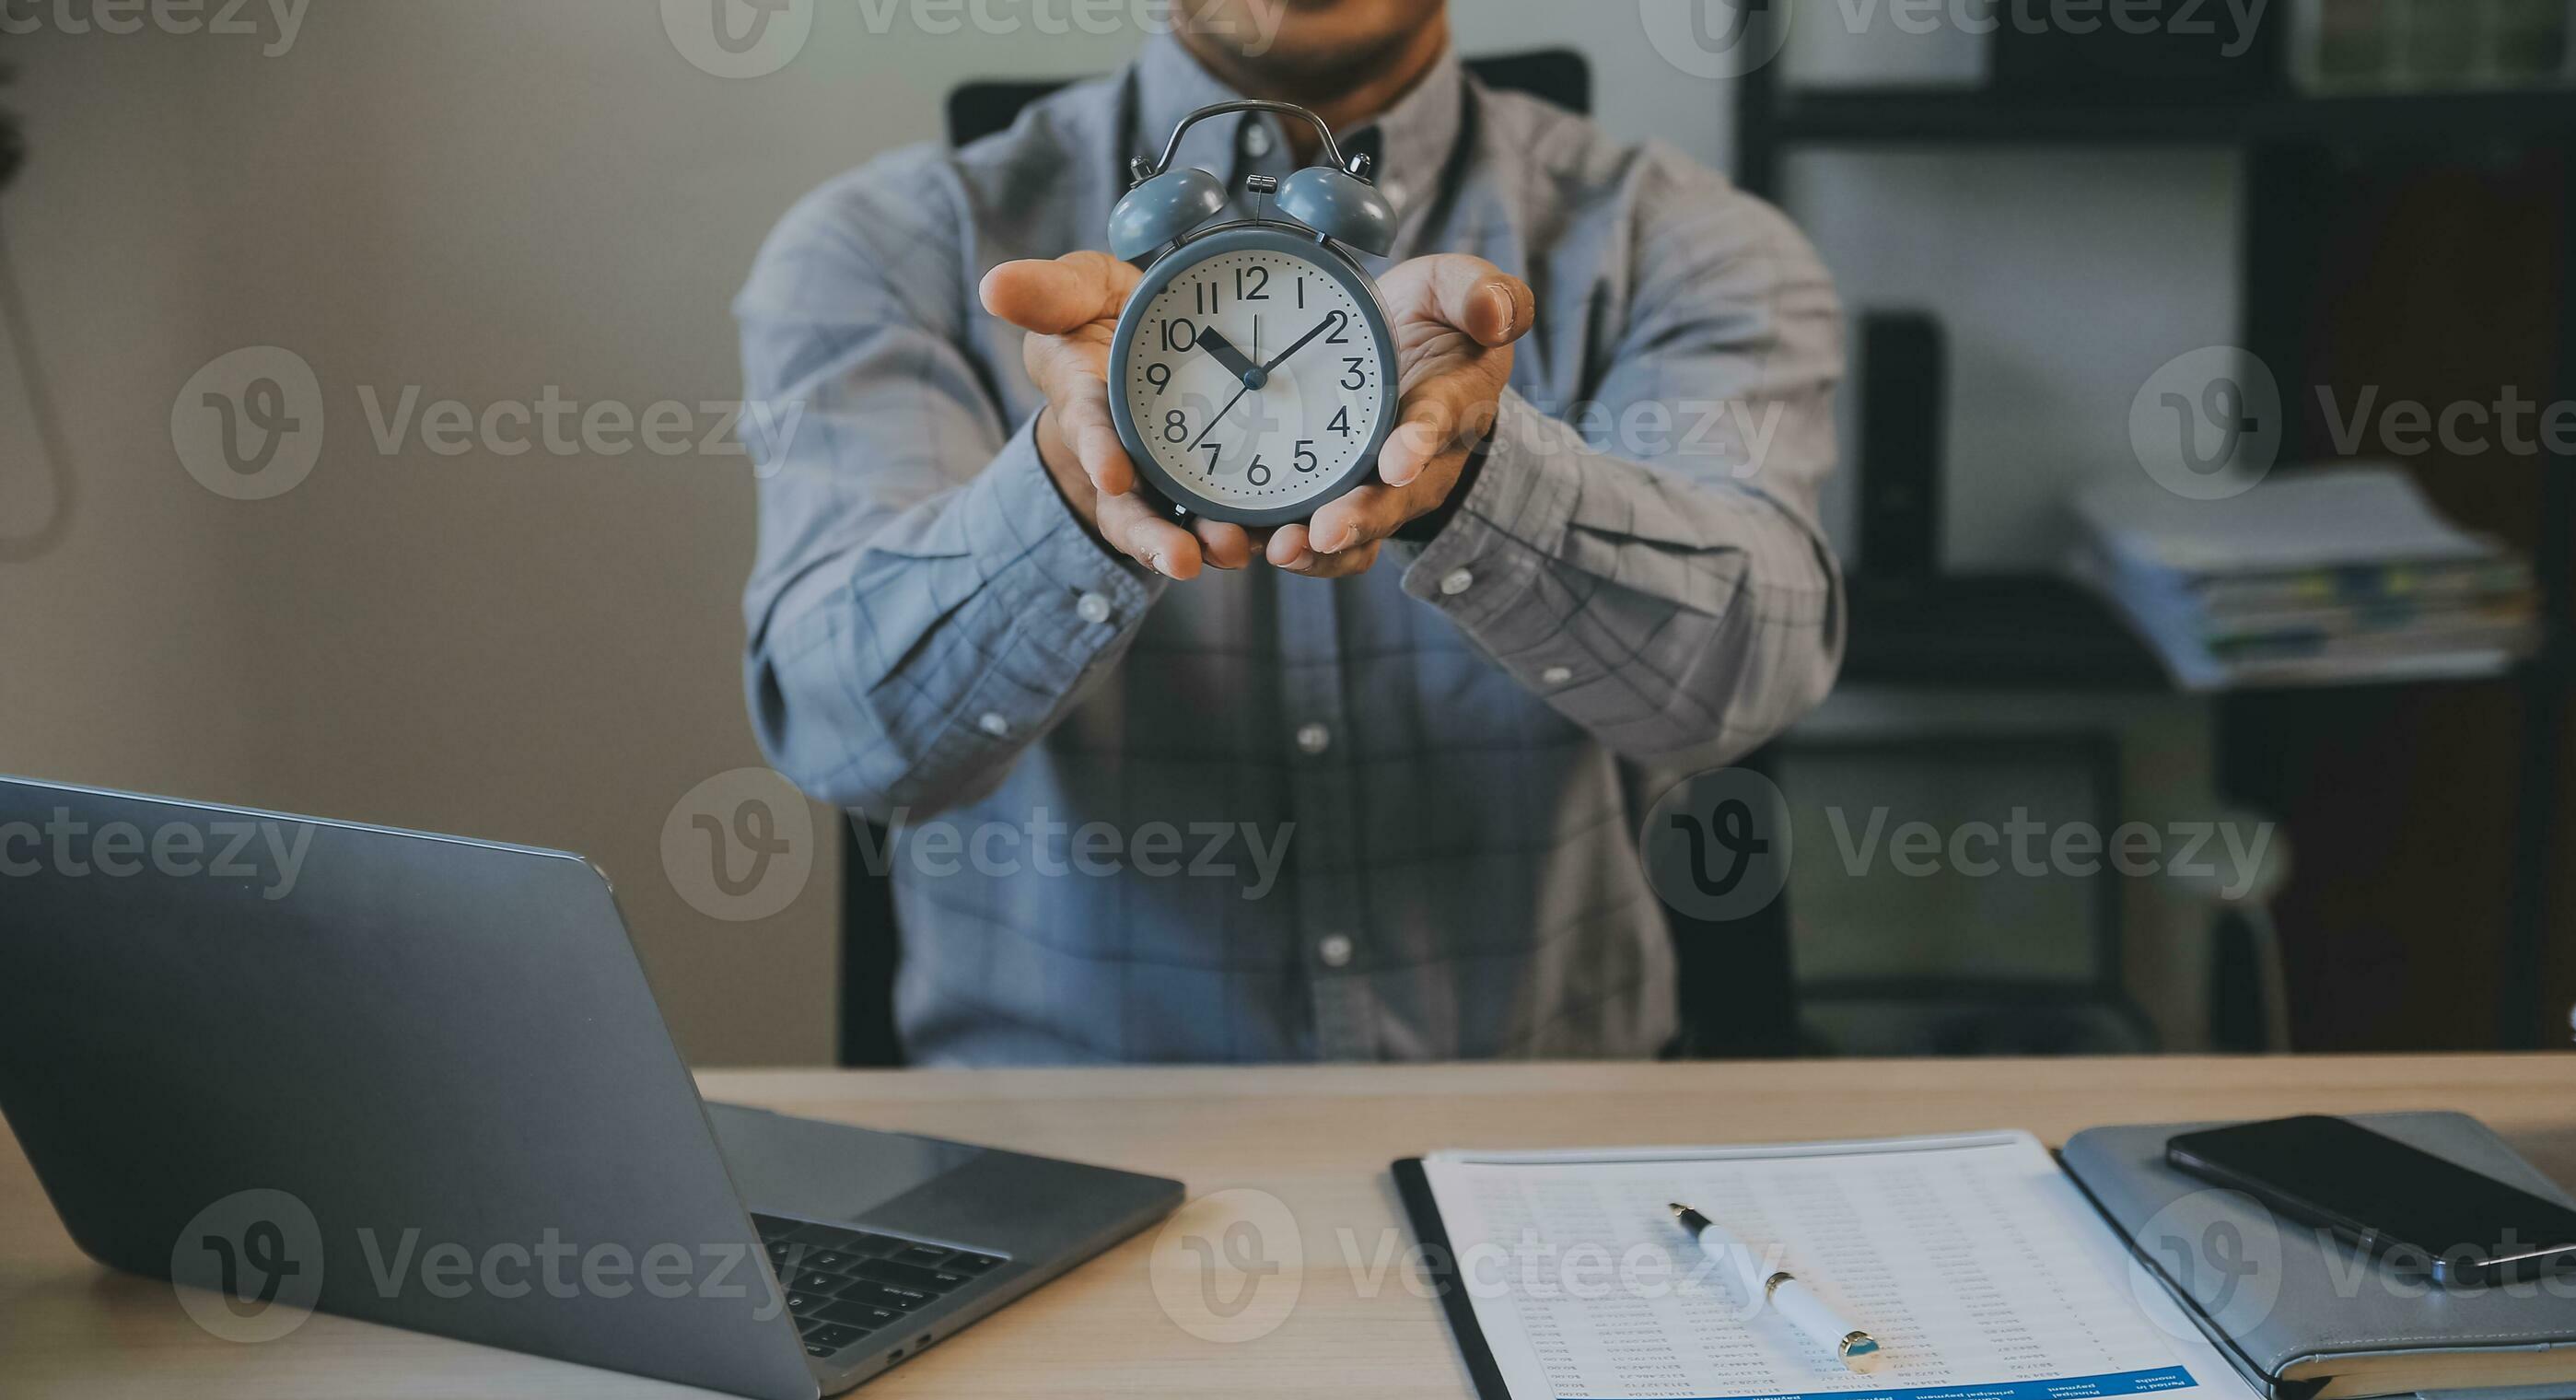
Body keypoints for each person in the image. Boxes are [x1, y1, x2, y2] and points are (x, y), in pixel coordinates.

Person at [735, 0, 1845, 1065]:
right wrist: (1068, 489)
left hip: (1538, 1127)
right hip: (1064, 1127)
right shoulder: (884, 248)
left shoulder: (1689, 243)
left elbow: (1755, 673)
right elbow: (840, 738)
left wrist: (1478, 480)